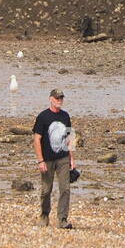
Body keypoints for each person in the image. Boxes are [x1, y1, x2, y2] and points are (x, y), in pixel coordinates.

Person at [33, 89, 75, 228]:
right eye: (57, 98)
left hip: (63, 158)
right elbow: (37, 139)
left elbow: (70, 138)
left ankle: (62, 219)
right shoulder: (43, 117)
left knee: (65, 189)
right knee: (46, 189)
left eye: (61, 98)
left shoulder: (65, 116)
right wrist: (40, 160)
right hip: (47, 159)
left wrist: (72, 159)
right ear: (51, 99)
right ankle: (44, 215)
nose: (59, 100)